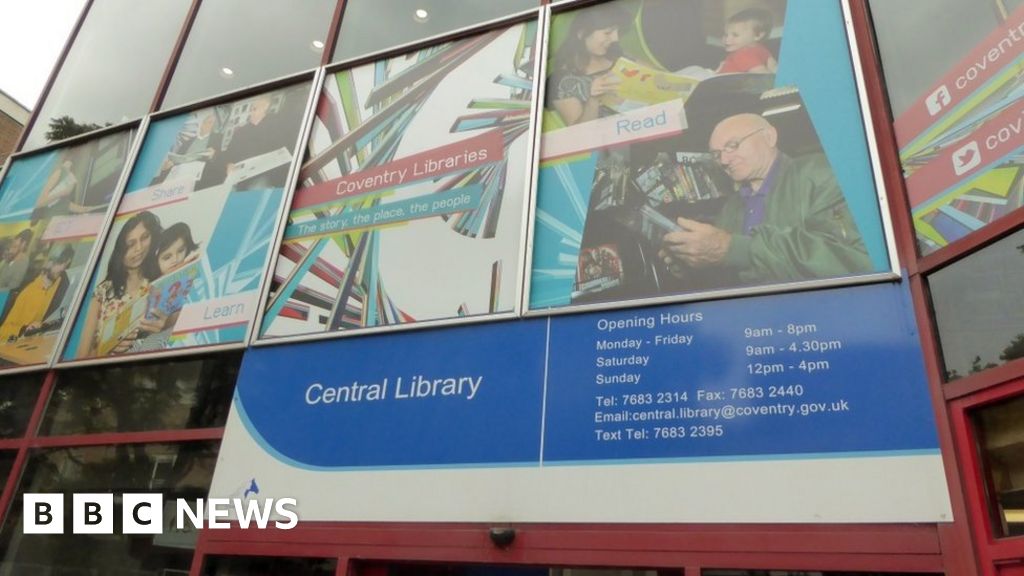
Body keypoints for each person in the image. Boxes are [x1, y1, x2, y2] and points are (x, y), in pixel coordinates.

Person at [660, 113, 871, 284]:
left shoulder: (820, 174)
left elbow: (849, 259)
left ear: (770, 137)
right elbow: (732, 273)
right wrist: (694, 264)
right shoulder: (731, 208)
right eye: (716, 154)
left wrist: (733, 249)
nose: (724, 160)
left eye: (733, 145)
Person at [76, 211, 166, 357]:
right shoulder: (103, 291)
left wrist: (164, 325)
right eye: (130, 244)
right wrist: (105, 349)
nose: (139, 249)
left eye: (144, 238)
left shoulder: (158, 283)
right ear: (120, 251)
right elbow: (81, 355)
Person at [548, 5, 630, 126]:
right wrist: (593, 100)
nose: (615, 38)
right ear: (582, 33)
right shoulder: (561, 81)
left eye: (617, 31)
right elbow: (581, 132)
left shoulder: (621, 56)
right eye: (608, 32)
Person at [131, 222, 201, 352]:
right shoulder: (149, 289)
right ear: (156, 264)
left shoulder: (198, 274)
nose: (175, 259)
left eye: (180, 251)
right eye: (167, 257)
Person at [0, 245, 74, 341]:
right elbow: (3, 330)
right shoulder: (28, 291)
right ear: (48, 262)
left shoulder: (59, 287)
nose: (62, 268)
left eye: (66, 265)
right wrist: (24, 329)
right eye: (60, 263)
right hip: (19, 342)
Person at [717, 8, 778, 74]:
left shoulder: (743, 53)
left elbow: (763, 74)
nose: (727, 39)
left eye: (735, 35)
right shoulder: (762, 50)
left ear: (757, 35)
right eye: (726, 35)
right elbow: (774, 68)